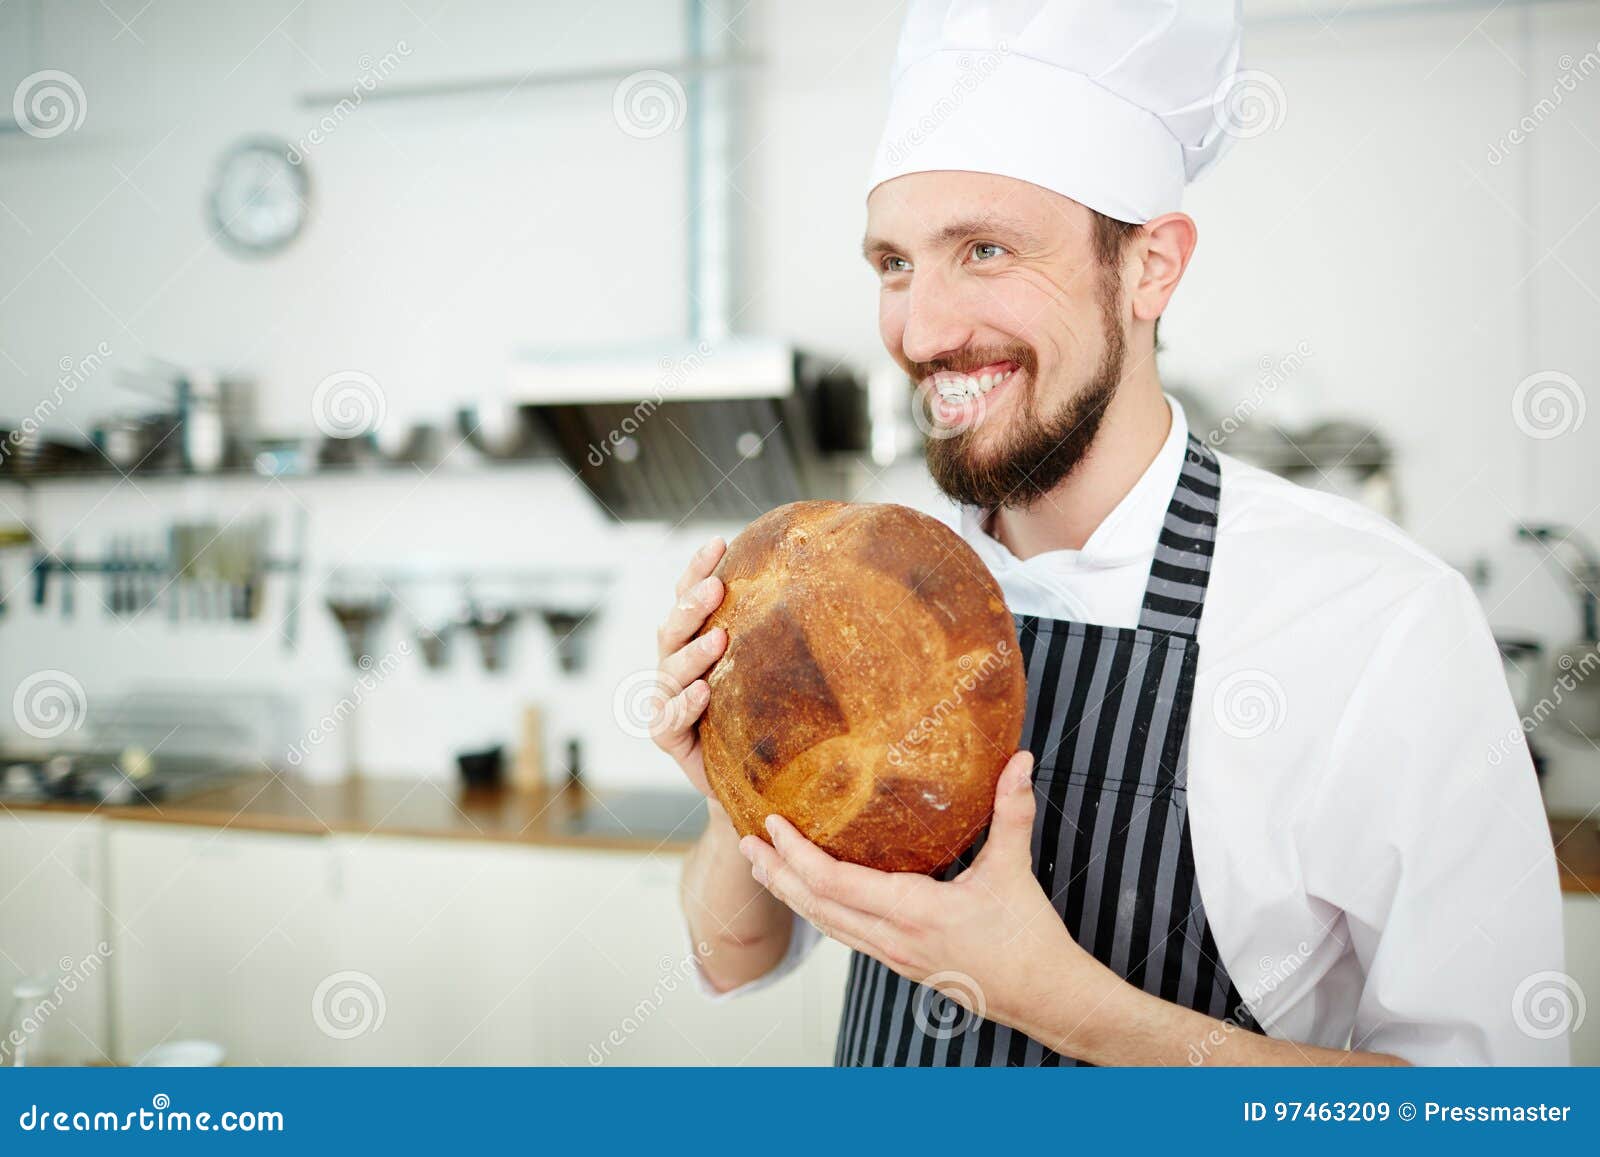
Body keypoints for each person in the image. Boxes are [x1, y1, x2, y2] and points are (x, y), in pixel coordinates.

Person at [653, 0, 1567, 1065]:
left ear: (1150, 267)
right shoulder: (866, 585)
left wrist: (1059, 998)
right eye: (894, 263)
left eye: (985, 249)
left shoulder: (1375, 624)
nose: (922, 328)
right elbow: (731, 957)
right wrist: (732, 781)